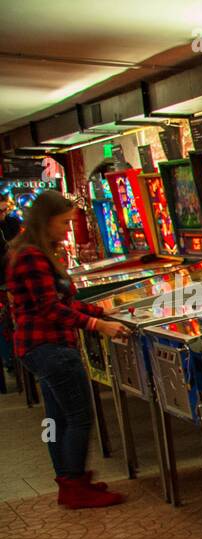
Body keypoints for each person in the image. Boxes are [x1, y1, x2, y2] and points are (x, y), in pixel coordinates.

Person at [6, 190, 129, 508]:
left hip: (39, 347)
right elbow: (50, 308)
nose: (68, 229)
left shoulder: (32, 252)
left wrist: (102, 313)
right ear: (46, 221)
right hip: (50, 346)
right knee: (78, 416)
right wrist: (97, 326)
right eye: (64, 222)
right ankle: (75, 485)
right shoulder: (32, 256)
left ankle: (69, 482)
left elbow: (63, 302)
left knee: (58, 419)